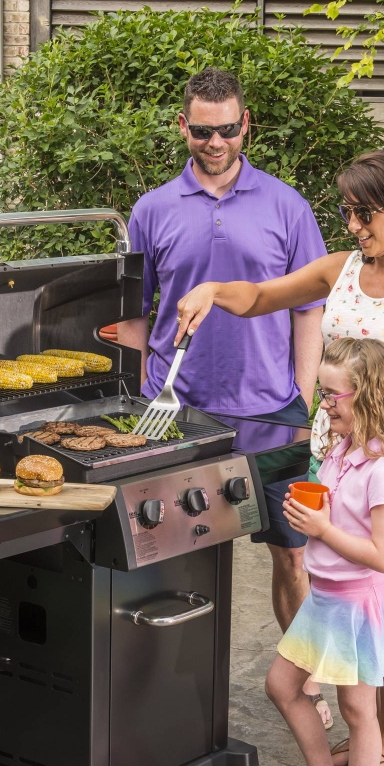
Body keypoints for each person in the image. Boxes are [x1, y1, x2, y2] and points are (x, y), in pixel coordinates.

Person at [173, 149, 384, 766]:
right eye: (348, 213)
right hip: (331, 467)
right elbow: (260, 297)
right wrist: (213, 291)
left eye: (367, 214)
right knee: (340, 599)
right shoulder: (339, 271)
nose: (355, 226)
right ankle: (364, 733)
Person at [120, 67, 335, 727]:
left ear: (246, 125)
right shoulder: (152, 210)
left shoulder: (287, 207)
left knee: (291, 555)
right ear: (183, 127)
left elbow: (310, 310)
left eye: (227, 129)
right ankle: (167, 696)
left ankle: (310, 683)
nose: (215, 142)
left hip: (271, 415)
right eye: (202, 130)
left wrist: (303, 401)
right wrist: (140, 395)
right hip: (178, 415)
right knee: (169, 557)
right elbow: (134, 314)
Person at [264, 337, 384, 766]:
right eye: (323, 393)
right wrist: (313, 518)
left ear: (367, 396)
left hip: (357, 605)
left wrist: (323, 530)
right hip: (325, 599)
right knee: (283, 687)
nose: (324, 405)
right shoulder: (342, 451)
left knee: (357, 711)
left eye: (333, 395)